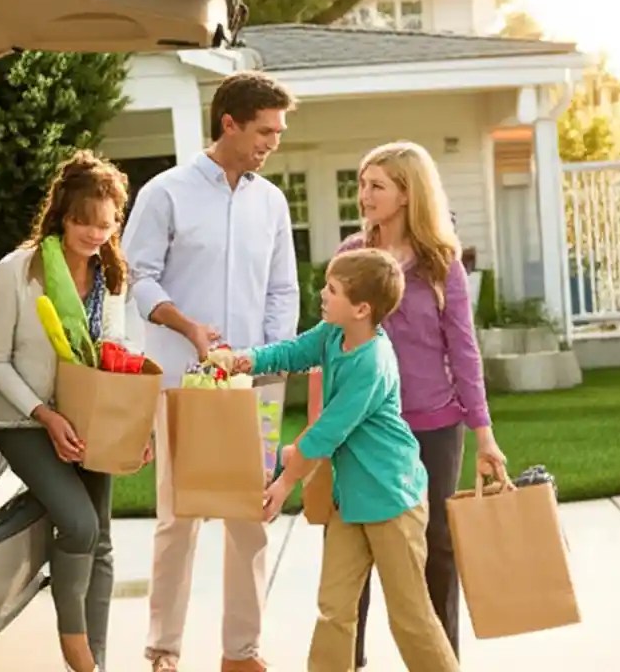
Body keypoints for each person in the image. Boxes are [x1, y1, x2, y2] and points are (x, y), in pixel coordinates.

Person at [121, 70, 300, 672]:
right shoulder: (165, 193)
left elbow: (282, 289)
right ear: (229, 122)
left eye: (277, 131)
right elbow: (139, 276)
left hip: (253, 384)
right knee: (179, 519)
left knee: (250, 522)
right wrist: (188, 327)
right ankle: (163, 650)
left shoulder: (270, 202)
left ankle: (241, 652)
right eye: (264, 131)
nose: (272, 143)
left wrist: (274, 359)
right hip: (181, 384)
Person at [226, 247, 459, 672]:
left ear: (362, 308)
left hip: (392, 502)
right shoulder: (333, 334)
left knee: (410, 617)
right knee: (334, 610)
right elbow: (295, 352)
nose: (323, 294)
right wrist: (248, 358)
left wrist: (282, 484)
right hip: (350, 504)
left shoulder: (373, 363)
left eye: (332, 290)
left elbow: (325, 435)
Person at [338, 140, 509, 666]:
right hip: (364, 426)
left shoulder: (441, 265)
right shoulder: (352, 256)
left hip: (433, 423)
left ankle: (441, 660)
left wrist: (484, 435)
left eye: (376, 186)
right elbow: (332, 338)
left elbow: (463, 350)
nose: (363, 196)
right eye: (362, 184)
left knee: (436, 541)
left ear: (408, 194)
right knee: (356, 543)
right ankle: (350, 659)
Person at [0, 149, 146, 672]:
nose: (95, 234)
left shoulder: (111, 278)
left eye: (106, 223)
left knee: (100, 537)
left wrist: (131, 431)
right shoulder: (17, 271)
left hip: (92, 423)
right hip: (25, 421)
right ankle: (77, 651)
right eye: (84, 221)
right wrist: (46, 417)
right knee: (77, 525)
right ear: (62, 213)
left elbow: (119, 356)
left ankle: (95, 664)